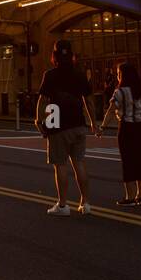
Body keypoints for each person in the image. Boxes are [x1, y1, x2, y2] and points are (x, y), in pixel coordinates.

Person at [34, 39, 98, 216]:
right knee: (79, 163)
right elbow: (89, 101)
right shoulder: (79, 75)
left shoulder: (50, 75)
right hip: (78, 123)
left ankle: (62, 205)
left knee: (60, 164)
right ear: (71, 56)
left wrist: (39, 120)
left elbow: (43, 100)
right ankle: (85, 203)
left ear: (54, 56)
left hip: (57, 123)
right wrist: (94, 123)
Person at [98, 61, 141, 207]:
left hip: (127, 127)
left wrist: (103, 126)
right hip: (140, 128)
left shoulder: (120, 92)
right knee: (140, 159)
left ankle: (129, 195)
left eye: (118, 74)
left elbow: (110, 110)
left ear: (122, 75)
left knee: (127, 161)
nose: (117, 76)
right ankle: (140, 195)